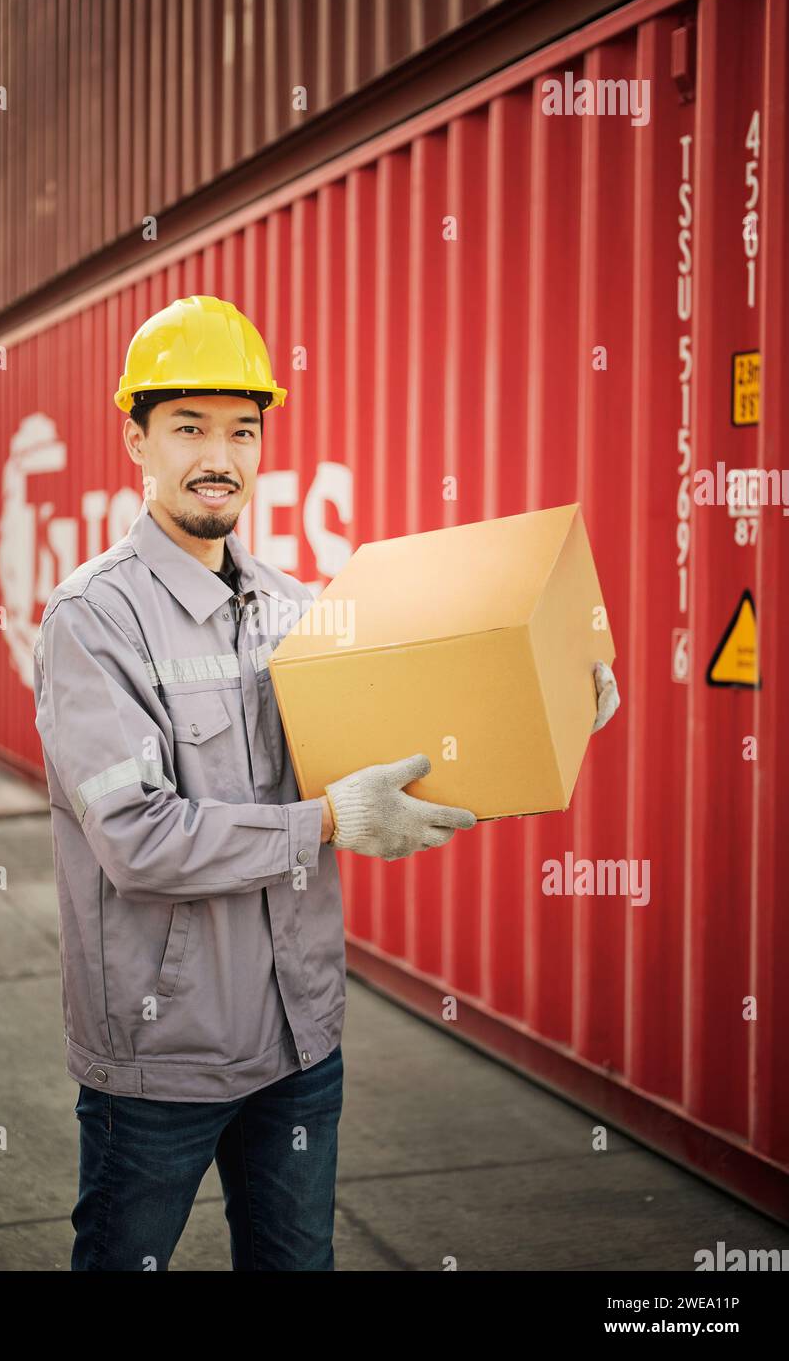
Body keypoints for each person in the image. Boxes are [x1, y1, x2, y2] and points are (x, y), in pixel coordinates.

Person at [32, 294, 620, 1272]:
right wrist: (329, 823)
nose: (218, 455)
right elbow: (137, 840)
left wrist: (550, 700)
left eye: (242, 430)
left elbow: (421, 738)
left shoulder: (302, 609)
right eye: (188, 428)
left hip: (301, 1047)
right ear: (136, 438)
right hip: (160, 1061)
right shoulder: (94, 621)